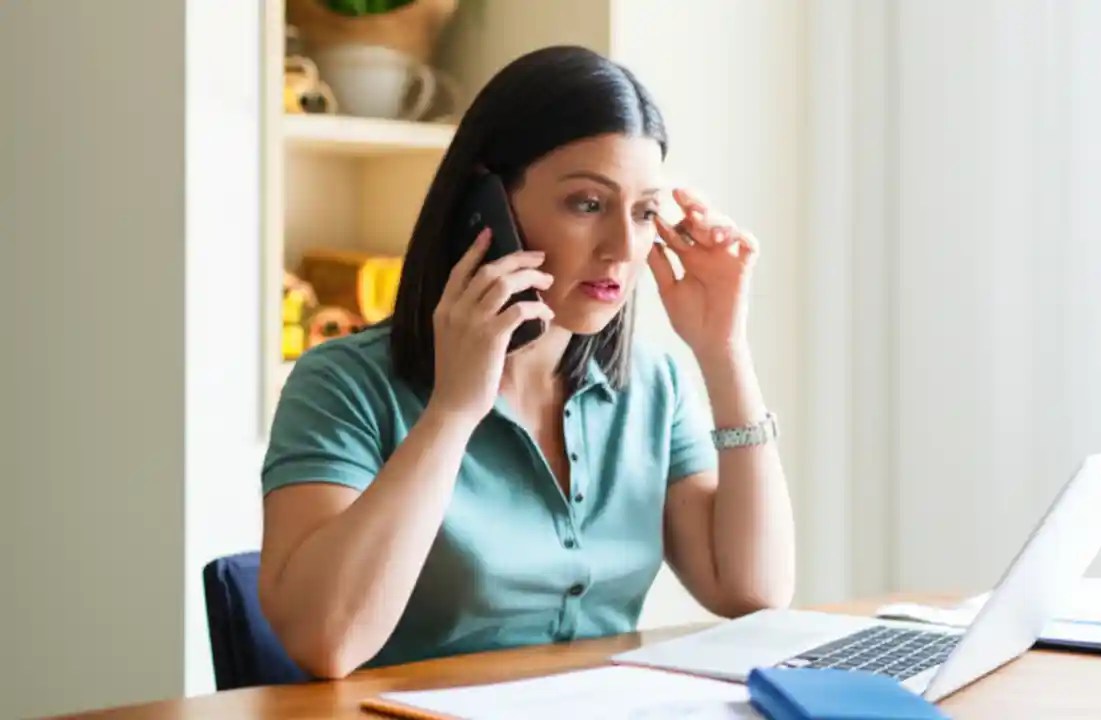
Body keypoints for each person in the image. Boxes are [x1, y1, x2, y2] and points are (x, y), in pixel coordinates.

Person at [258, 45, 795, 679]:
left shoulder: (654, 386)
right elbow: (326, 643)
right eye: (588, 205)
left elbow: (752, 591)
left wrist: (724, 351)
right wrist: (454, 411)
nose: (623, 248)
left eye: (645, 212)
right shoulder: (344, 383)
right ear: (486, 206)